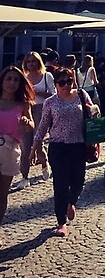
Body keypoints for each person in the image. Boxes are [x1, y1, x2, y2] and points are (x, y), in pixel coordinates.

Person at [31, 66, 97, 237]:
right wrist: (34, 148)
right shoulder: (50, 102)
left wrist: (94, 111)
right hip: (58, 147)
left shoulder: (81, 95)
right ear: (56, 84)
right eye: (62, 82)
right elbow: (43, 126)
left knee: (78, 181)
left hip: (78, 146)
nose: (66, 85)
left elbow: (93, 114)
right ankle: (61, 222)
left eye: (69, 81)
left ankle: (71, 202)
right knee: (60, 184)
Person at [12, 51, 53, 190]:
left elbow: (53, 94)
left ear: (38, 62)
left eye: (33, 61)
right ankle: (24, 177)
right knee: (25, 145)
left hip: (42, 109)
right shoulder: (24, 77)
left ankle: (44, 163)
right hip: (27, 109)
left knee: (38, 141)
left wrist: (36, 92)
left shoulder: (46, 76)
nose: (31, 64)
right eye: (28, 61)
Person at [0, 66, 35, 225]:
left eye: (16, 80)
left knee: (2, 194)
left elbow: (31, 126)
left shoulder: (23, 104)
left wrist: (27, 123)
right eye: (9, 79)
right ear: (2, 81)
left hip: (10, 149)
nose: (12, 83)